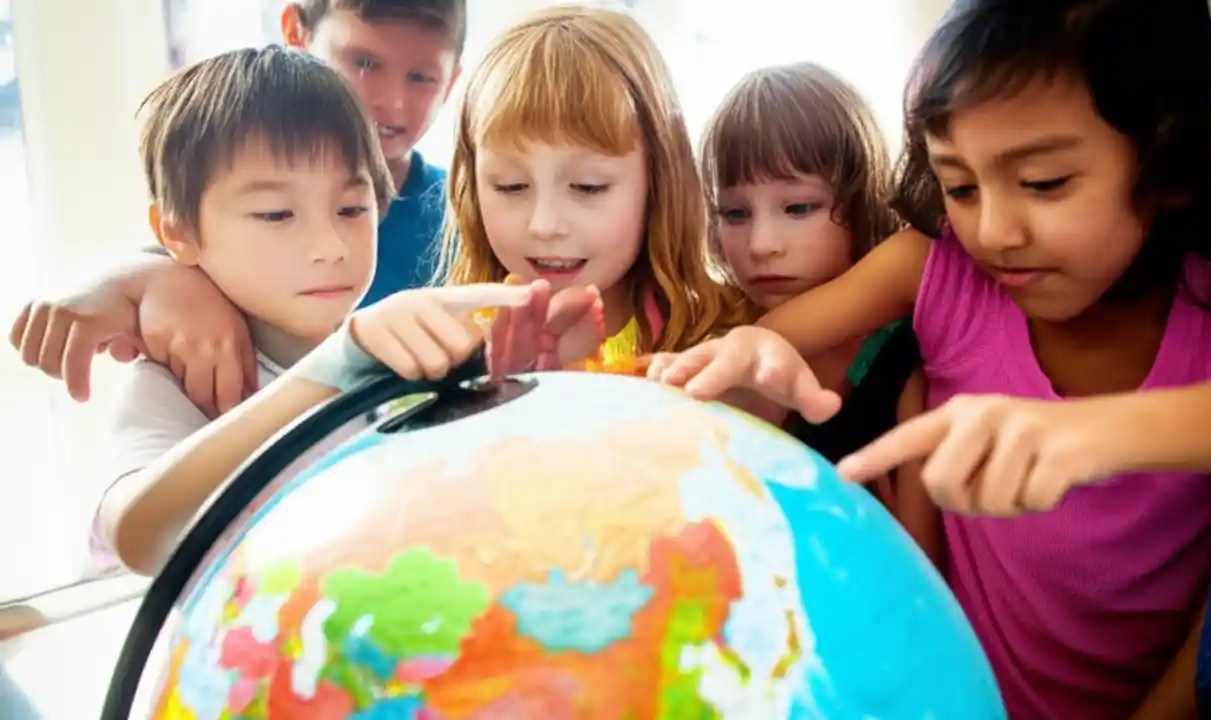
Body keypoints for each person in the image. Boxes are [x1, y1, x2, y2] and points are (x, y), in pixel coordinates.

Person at [649, 1, 1211, 717]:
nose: (994, 230)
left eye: (1043, 183)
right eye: (960, 186)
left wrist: (1098, 433)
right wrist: (761, 346)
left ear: (1181, 153)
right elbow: (759, 348)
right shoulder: (938, 270)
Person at [9, 0, 467, 417]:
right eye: (364, 62)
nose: (391, 101)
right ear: (296, 32)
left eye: (421, 76)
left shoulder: (464, 215)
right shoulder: (226, 176)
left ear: (451, 81)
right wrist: (145, 279)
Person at [439, 4, 750, 372]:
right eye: (511, 186)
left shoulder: (716, 342)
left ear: (659, 184)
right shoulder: (453, 345)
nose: (545, 224)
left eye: (588, 187)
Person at [696, 61, 931, 539]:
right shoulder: (708, 333)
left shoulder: (897, 365)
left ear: (863, 200)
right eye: (735, 213)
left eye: (798, 207)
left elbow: (921, 567)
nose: (762, 244)